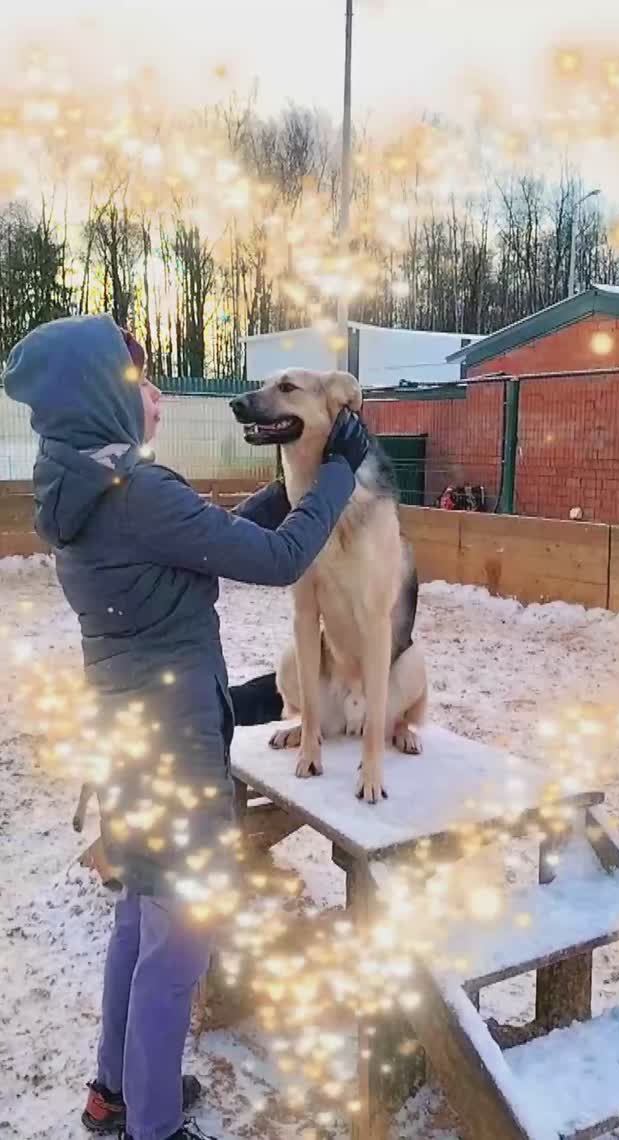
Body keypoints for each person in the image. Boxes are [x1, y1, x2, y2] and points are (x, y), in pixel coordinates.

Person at [3, 313, 370, 1140]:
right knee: (178, 955)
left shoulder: (82, 486)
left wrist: (292, 486)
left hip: (134, 747)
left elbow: (212, 538)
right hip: (174, 761)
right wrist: (339, 473)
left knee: (140, 922)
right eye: (139, 383)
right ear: (103, 396)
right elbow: (274, 561)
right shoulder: (138, 493)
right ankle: (154, 1127)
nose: (157, 397)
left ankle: (115, 1092)